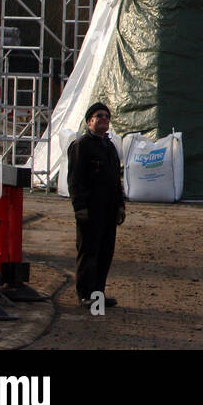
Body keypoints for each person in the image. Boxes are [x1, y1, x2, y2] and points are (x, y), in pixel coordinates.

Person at [68, 102, 126, 308]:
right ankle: (85, 294)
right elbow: (75, 180)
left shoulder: (109, 146)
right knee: (88, 252)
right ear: (89, 121)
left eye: (107, 117)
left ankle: (98, 295)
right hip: (91, 210)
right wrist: (79, 207)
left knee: (105, 253)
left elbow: (115, 179)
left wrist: (120, 206)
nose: (104, 119)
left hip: (108, 210)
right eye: (99, 116)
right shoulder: (81, 146)